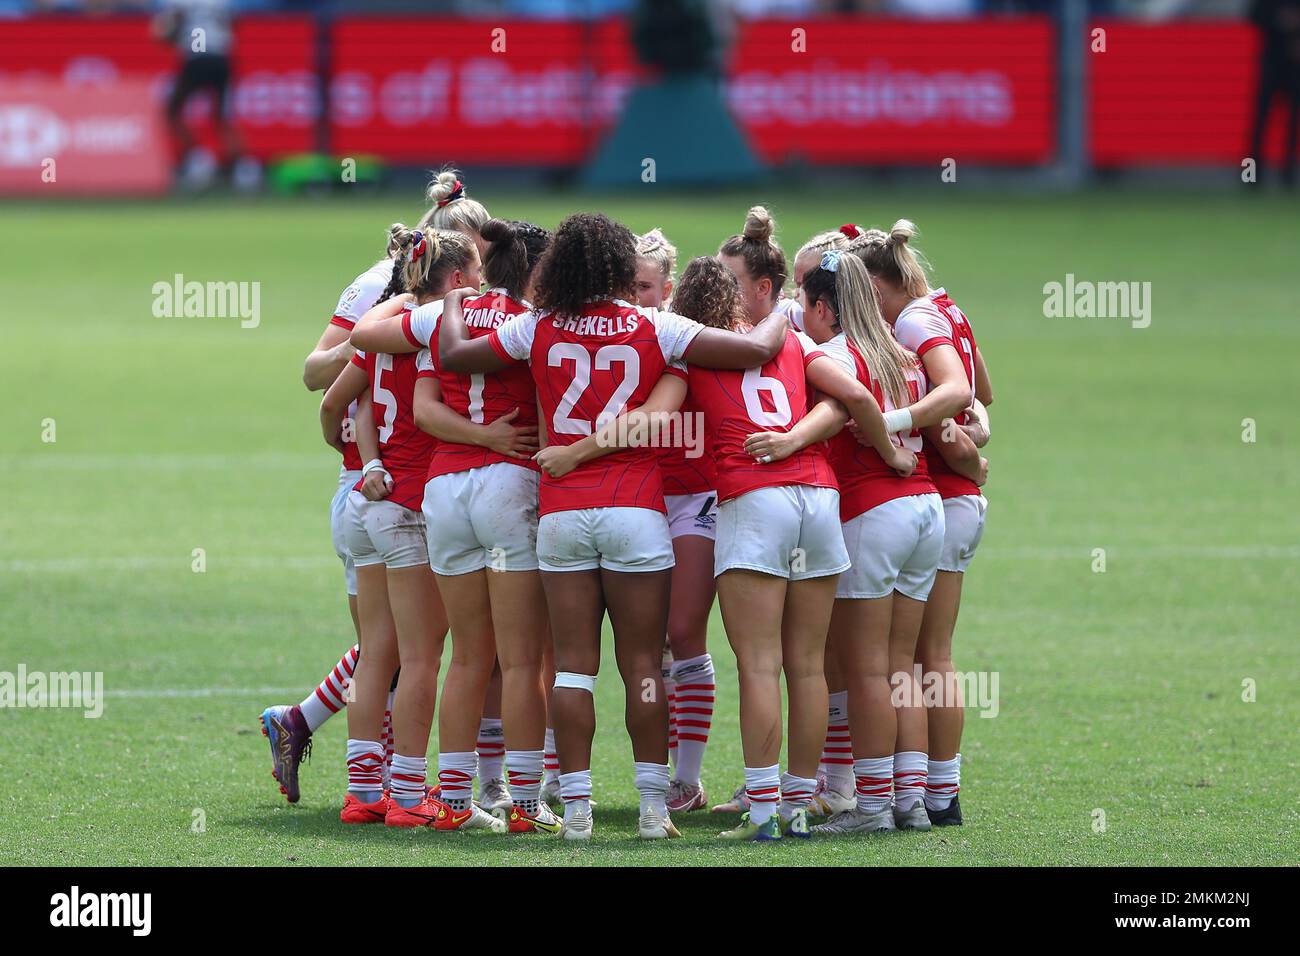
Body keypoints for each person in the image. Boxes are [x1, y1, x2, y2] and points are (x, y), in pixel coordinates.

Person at [437, 213, 791, 840]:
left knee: (572, 668)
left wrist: (455, 301)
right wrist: (787, 308)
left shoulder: (538, 324)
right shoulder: (655, 324)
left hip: (563, 513)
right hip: (636, 512)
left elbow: (457, 354)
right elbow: (758, 349)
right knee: (643, 669)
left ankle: (575, 812)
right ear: (621, 268)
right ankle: (654, 810)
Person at [666, 255, 913, 842]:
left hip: (754, 501)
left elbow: (651, 418)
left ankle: (762, 815)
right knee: (807, 667)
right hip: (818, 499)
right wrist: (892, 454)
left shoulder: (689, 353)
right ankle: (802, 807)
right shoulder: (794, 342)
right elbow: (854, 395)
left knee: (759, 666)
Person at [352, 219, 562, 834]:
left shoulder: (445, 316)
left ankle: (448, 798)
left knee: (467, 657)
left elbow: (377, 353)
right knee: (521, 661)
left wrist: (417, 292)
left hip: (444, 492)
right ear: (533, 270)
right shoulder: (532, 321)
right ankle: (524, 801)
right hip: (506, 484)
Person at [853, 221, 993, 827]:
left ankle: (919, 795)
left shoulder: (909, 320)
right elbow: (982, 391)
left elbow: (959, 388)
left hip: (940, 495)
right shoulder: (945, 309)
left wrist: (898, 417)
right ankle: (939, 795)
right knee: (931, 654)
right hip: (956, 499)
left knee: (917, 656)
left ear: (879, 283)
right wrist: (972, 434)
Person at [633, 228, 719, 813]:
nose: (633, 295)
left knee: (684, 631)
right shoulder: (618, 334)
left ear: (667, 288)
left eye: (643, 286)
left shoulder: (687, 335)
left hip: (696, 497)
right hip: (639, 498)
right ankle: (660, 774)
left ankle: (686, 778)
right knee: (647, 645)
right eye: (626, 284)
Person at [1248, 0, 1300, 186]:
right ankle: (1251, 176)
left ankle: (1288, 176)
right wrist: (1280, 21)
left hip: (1294, 68)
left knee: (1293, 126)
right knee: (1259, 125)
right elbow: (1254, 16)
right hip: (1271, 64)